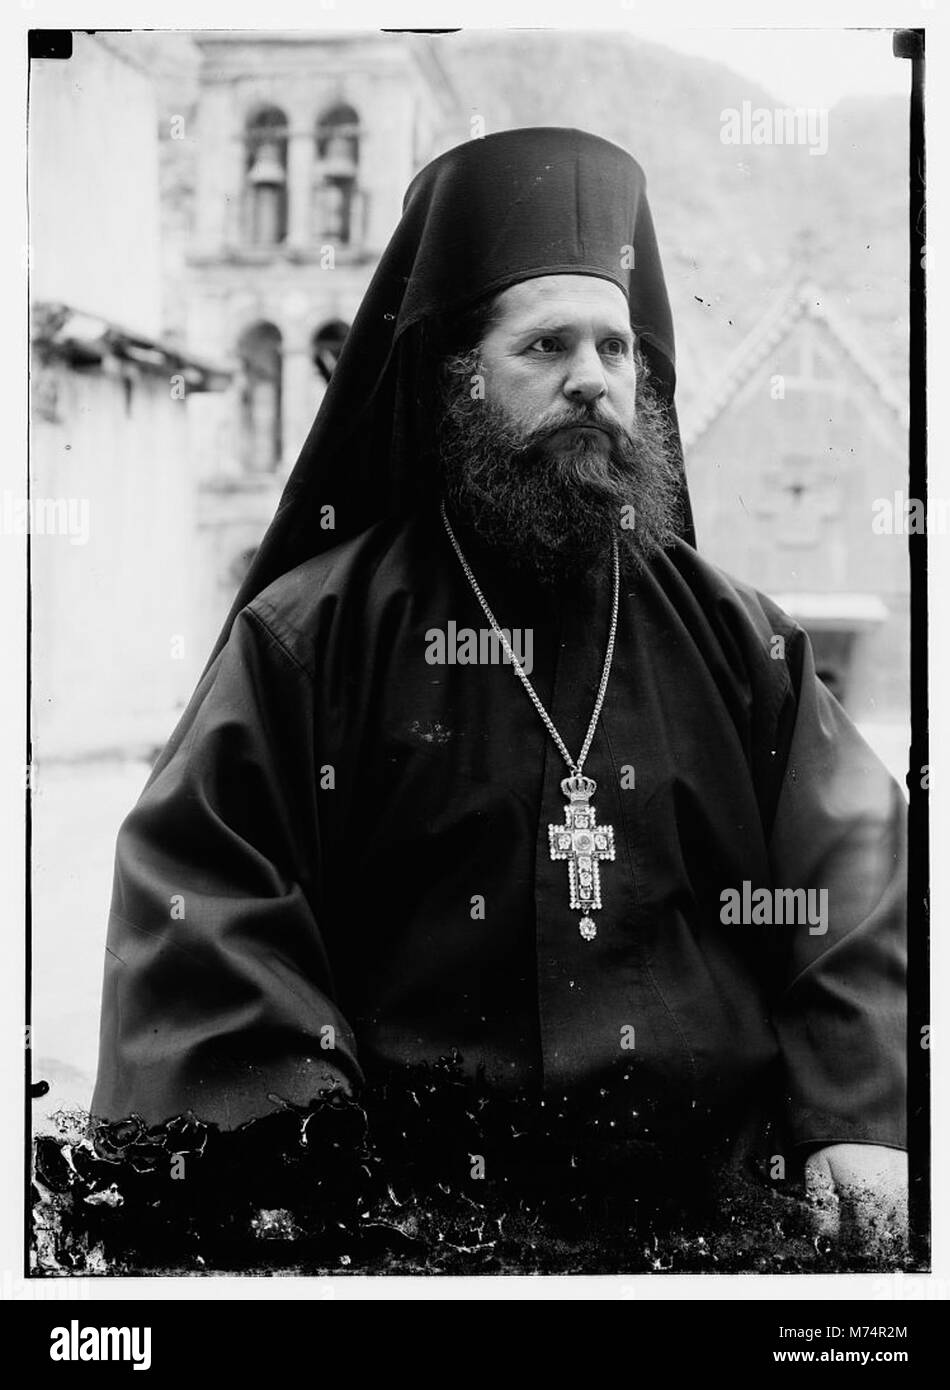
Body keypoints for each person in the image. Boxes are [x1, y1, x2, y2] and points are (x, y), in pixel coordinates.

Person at [91, 128, 907, 1251]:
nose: (593, 379)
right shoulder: (314, 637)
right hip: (417, 1228)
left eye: (617, 350)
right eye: (548, 346)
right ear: (458, 382)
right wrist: (312, 1178)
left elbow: (853, 876)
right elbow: (208, 907)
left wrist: (857, 1110)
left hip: (717, 1216)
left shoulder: (739, 638)